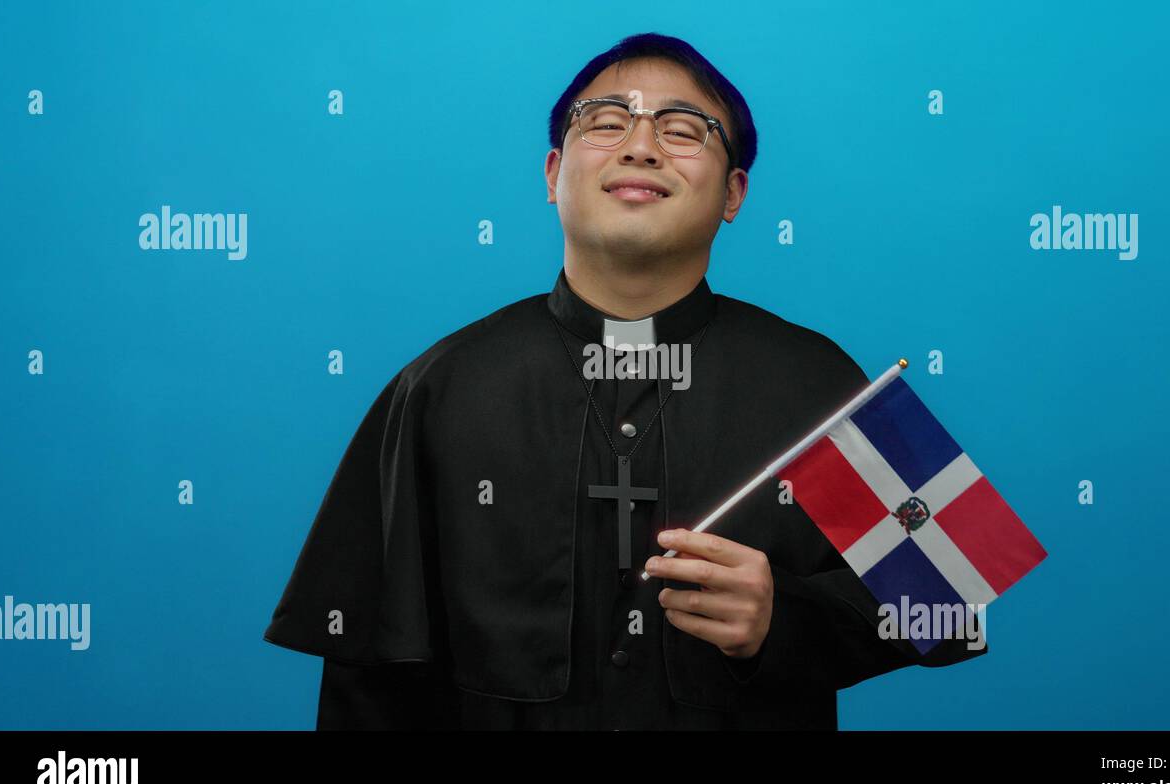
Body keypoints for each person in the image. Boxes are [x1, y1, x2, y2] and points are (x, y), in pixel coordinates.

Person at [263, 31, 987, 731]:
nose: (640, 145)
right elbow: (367, 686)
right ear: (553, 175)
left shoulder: (819, 380)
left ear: (734, 192)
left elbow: (954, 599)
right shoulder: (437, 388)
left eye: (683, 130)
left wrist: (785, 617)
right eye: (606, 122)